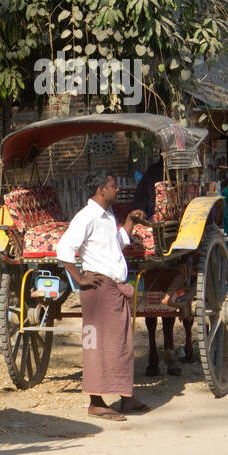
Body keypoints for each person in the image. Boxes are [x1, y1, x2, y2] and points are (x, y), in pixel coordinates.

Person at [56, 170, 150, 421]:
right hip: (99, 290)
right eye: (113, 185)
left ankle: (125, 398)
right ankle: (96, 402)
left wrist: (130, 220)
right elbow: (64, 248)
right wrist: (79, 278)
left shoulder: (106, 216)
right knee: (98, 346)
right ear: (101, 190)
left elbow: (117, 243)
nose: (117, 189)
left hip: (113, 289)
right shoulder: (86, 217)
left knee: (120, 345)